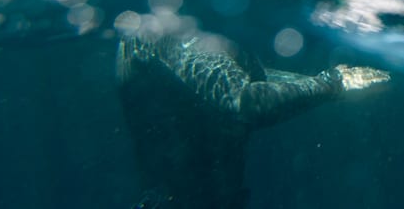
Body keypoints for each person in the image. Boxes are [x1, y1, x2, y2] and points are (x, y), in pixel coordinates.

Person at [117, 28, 389, 208]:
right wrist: (332, 83)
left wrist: (317, 83)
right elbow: (244, 102)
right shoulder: (185, 38)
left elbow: (228, 83)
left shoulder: (175, 45)